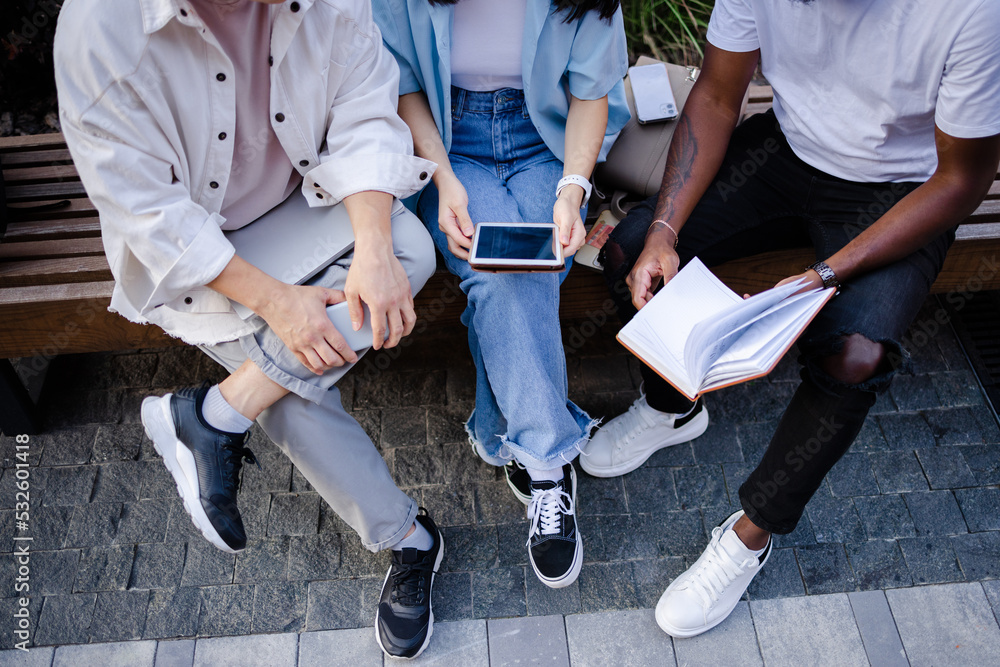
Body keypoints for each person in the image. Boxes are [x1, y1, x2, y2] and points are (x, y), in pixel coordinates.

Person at [583, 0, 1000, 638]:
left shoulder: (968, 13)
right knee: (628, 251)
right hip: (785, 152)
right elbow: (719, 97)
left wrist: (827, 273)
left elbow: (962, 181)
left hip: (903, 190)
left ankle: (750, 537)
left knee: (854, 357)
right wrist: (664, 230)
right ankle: (673, 407)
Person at [54, 0, 448, 657]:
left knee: (410, 252)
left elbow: (364, 103)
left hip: (307, 198)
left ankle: (215, 412)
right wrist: (276, 302)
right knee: (291, 393)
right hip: (208, 252)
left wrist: (374, 246)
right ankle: (409, 537)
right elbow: (145, 212)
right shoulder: (98, 29)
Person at [371, 0, 629, 588]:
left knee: (535, 266)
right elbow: (404, 86)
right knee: (494, 276)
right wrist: (443, 178)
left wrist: (572, 191)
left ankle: (498, 425)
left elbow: (589, 96)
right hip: (446, 141)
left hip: (547, 139)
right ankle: (547, 464)